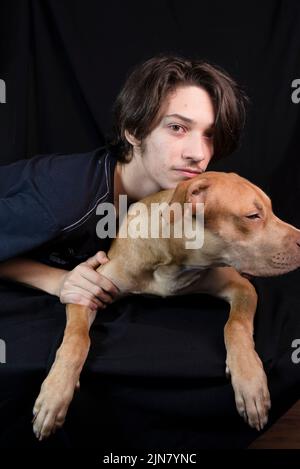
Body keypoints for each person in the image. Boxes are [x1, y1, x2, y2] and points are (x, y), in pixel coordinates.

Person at [0, 55, 247, 311]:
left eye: (210, 135)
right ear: (133, 131)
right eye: (177, 127)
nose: (198, 153)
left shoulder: (178, 201)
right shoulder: (67, 200)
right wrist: (56, 280)